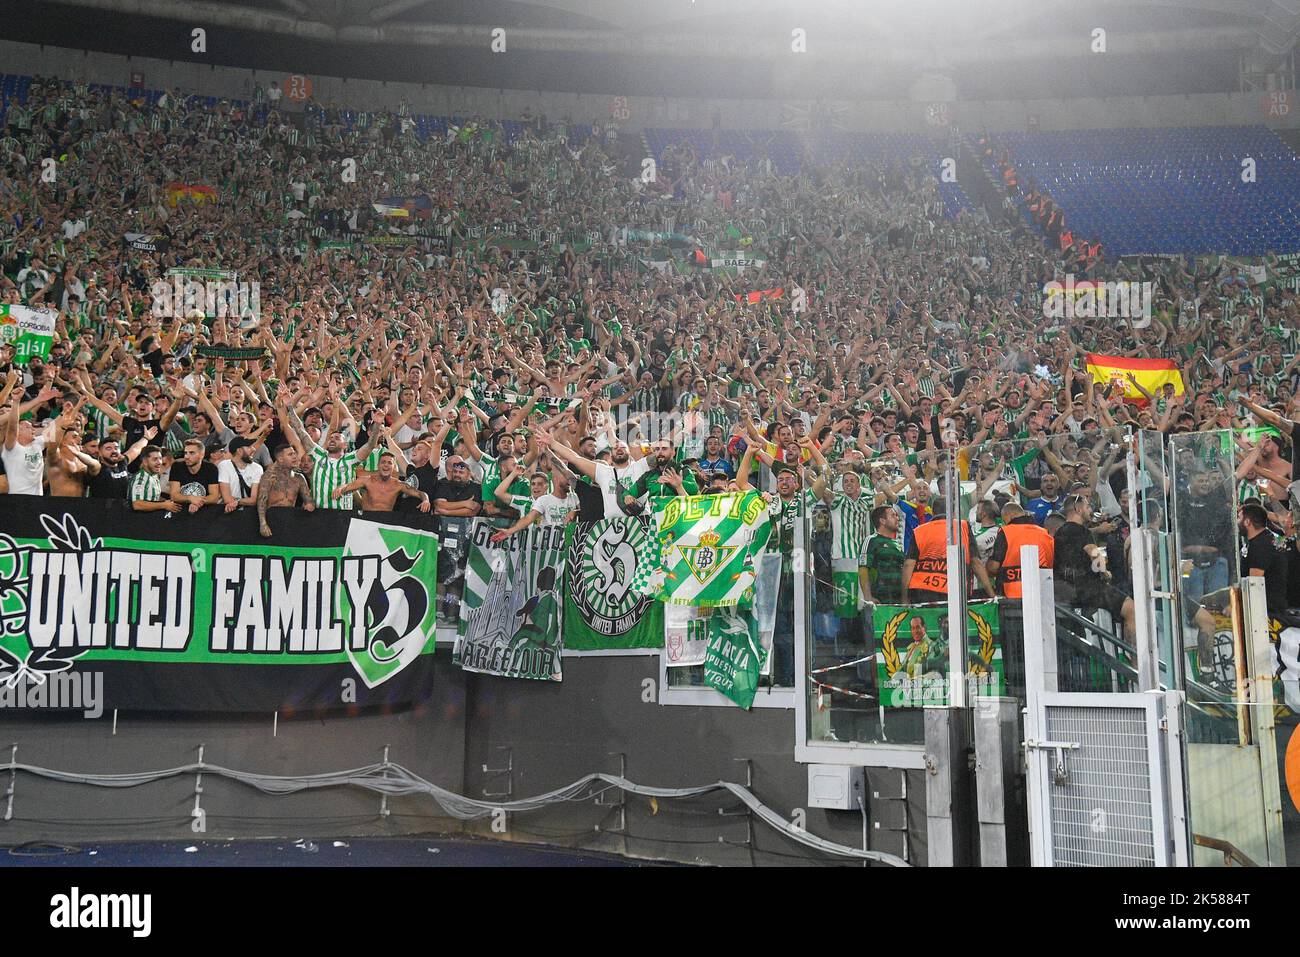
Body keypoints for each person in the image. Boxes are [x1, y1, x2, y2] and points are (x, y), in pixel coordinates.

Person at [1052, 492, 1137, 637]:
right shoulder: (1081, 531)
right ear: (1078, 510)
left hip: (1068, 589)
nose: (1090, 510)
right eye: (1087, 507)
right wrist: (1104, 571)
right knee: (1131, 608)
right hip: (1088, 588)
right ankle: (1135, 658)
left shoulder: (1059, 532)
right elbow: (1092, 551)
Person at [901, 497, 994, 605]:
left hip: (921, 591)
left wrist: (904, 598)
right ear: (953, 511)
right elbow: (976, 563)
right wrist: (992, 595)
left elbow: (908, 565)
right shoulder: (962, 526)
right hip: (954, 590)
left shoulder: (919, 530)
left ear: (932, 511)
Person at [986, 501, 1055, 599]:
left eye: (1004, 520)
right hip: (1042, 594)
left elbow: (993, 567)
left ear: (1008, 516)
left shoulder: (1006, 532)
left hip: (1011, 597)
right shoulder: (1044, 533)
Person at [332, 451, 431, 512]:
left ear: (393, 467)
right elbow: (348, 486)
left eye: (389, 463)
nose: (386, 465)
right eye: (383, 462)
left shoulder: (398, 484)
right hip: (366, 520)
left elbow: (420, 493)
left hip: (385, 523)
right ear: (378, 465)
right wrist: (340, 488)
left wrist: (425, 500)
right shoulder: (367, 480)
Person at [257, 444, 316, 538]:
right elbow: (262, 500)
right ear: (280, 458)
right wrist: (263, 523)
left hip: (291, 518)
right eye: (290, 454)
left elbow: (308, 499)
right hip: (272, 518)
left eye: (294, 454)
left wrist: (310, 504)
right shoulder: (269, 476)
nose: (295, 457)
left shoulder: (299, 478)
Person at [859, 504, 905, 606]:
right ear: (882, 521)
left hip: (897, 601)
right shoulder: (871, 540)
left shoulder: (897, 544)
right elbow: (863, 569)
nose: (897, 518)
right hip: (879, 600)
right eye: (893, 516)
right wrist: (868, 597)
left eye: (897, 516)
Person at [168, 438, 222, 514]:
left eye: (191, 453)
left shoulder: (211, 468)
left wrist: (197, 502)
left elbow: (214, 497)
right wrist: (190, 498)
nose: (187, 456)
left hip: (204, 511)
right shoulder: (177, 467)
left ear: (201, 455)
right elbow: (174, 496)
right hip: (180, 511)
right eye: (185, 453)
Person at [217, 437, 264, 512]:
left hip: (248, 512)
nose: (254, 449)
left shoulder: (257, 468)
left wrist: (237, 502)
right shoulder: (224, 466)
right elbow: (227, 498)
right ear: (239, 451)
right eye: (249, 447)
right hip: (228, 510)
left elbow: (253, 499)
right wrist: (238, 503)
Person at [129, 446, 181, 514]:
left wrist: (167, 502)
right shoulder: (140, 478)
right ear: (145, 461)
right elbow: (137, 504)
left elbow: (151, 497)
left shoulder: (154, 475)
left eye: (160, 458)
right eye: (155, 459)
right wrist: (163, 505)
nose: (159, 462)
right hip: (139, 520)